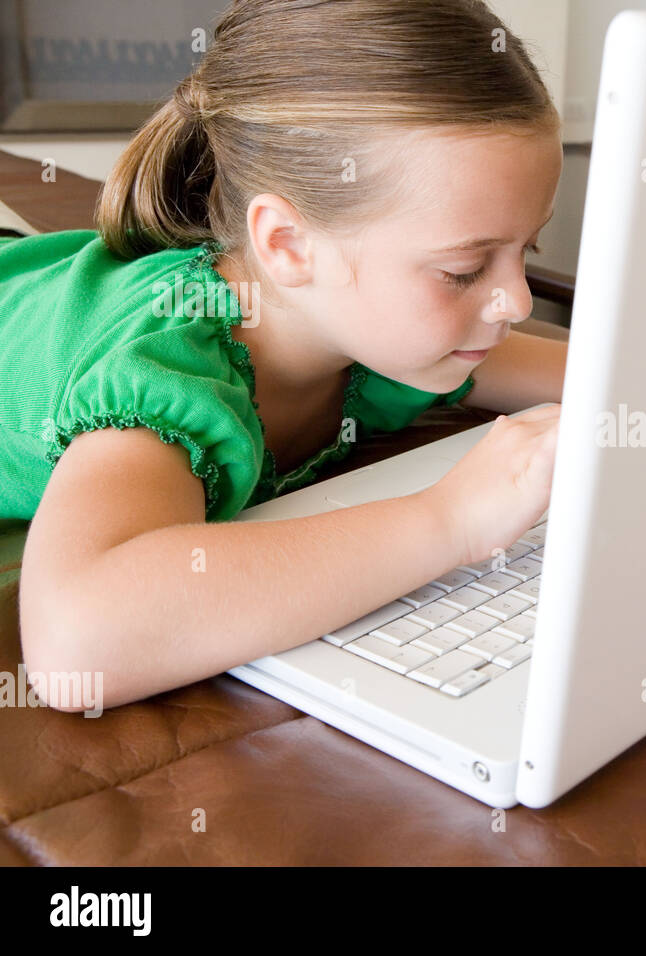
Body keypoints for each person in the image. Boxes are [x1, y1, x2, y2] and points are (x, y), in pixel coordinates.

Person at [1, 0, 565, 712]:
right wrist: (450, 519)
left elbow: (608, 377)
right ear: (289, 246)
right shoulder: (165, 372)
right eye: (463, 269)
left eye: (528, 250)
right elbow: (76, 644)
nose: (515, 301)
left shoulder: (373, 325)